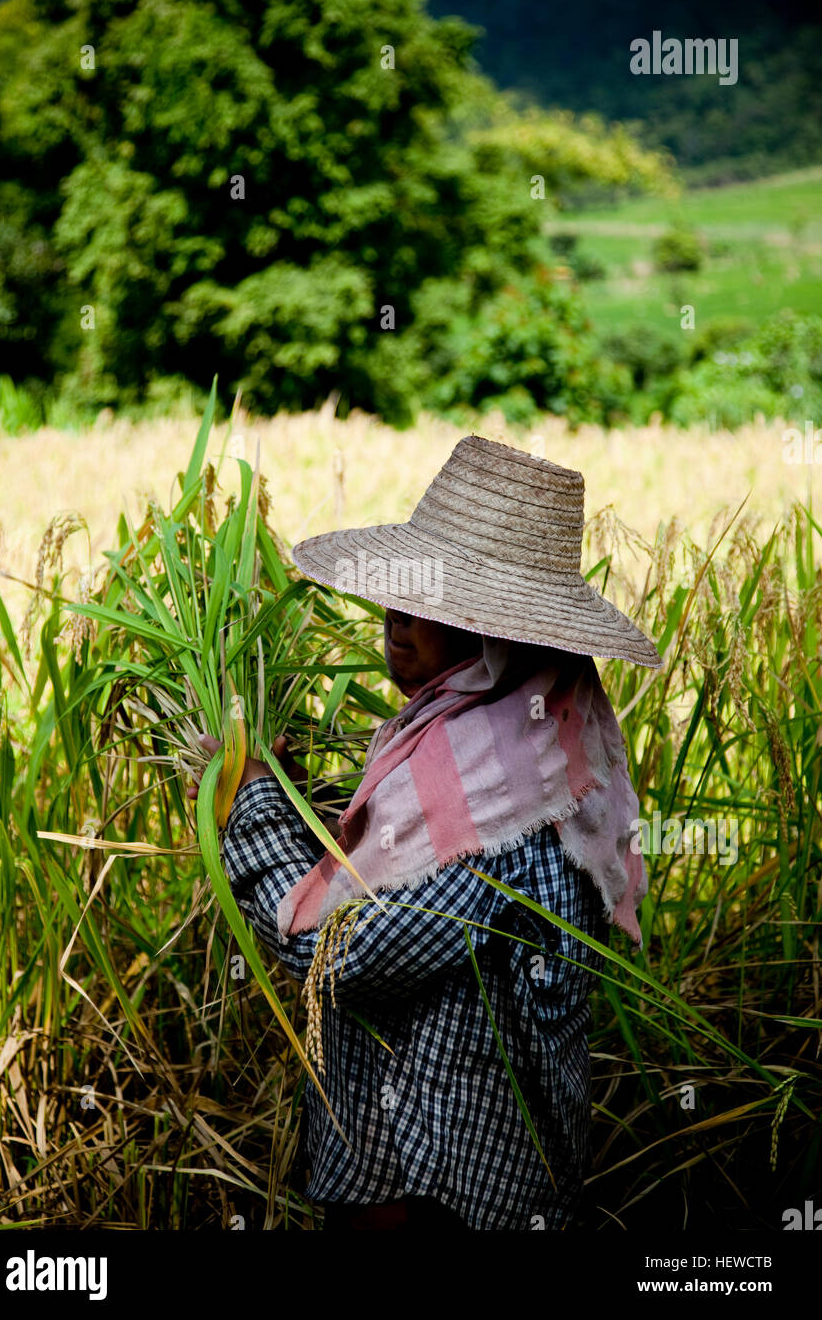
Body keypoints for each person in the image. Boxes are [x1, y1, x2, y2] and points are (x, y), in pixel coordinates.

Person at [196, 435, 662, 1231]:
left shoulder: (502, 814)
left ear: (503, 638)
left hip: (438, 1193)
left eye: (436, 607)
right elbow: (389, 866)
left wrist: (254, 807)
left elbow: (334, 952)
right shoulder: (535, 741)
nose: (398, 621)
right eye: (399, 593)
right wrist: (302, 801)